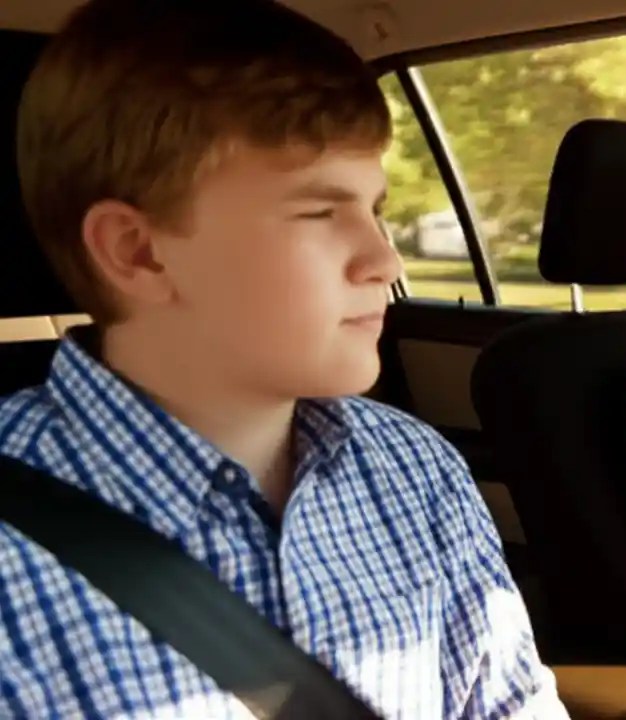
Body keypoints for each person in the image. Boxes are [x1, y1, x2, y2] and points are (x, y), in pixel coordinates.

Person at [0, 1, 567, 717]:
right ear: (139, 252)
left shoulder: (415, 469)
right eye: (320, 213)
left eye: (375, 210)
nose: (385, 260)